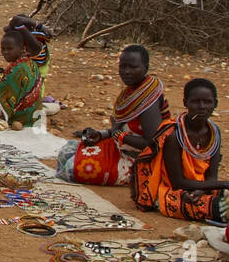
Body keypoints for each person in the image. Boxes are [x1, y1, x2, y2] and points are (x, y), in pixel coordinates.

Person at [56, 45, 170, 186]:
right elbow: (121, 128)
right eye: (123, 67)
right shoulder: (133, 93)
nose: (126, 72)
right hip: (122, 149)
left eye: (133, 67)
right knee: (67, 151)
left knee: (71, 168)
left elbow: (153, 144)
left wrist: (118, 135)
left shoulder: (148, 100)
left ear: (145, 67)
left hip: (141, 162)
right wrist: (102, 135)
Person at [132, 78, 229, 224]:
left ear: (215, 104)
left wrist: (201, 191)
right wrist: (225, 184)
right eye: (196, 101)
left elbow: (211, 176)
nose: (202, 106)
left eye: (207, 102)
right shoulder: (174, 135)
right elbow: (177, 182)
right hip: (173, 193)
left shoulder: (215, 132)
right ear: (185, 103)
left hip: (203, 187)